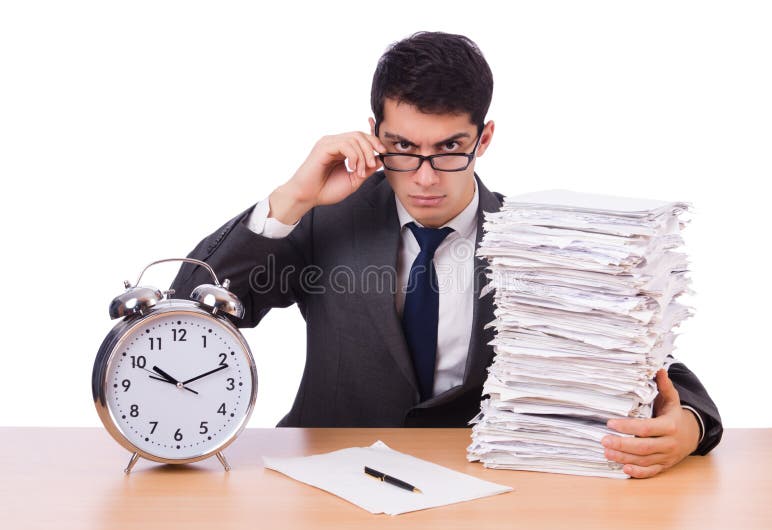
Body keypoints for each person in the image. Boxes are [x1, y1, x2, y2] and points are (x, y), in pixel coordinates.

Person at [171, 31, 722, 478]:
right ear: (374, 134)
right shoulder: (323, 218)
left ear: (483, 139)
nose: (425, 178)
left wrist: (690, 425)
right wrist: (291, 197)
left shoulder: (535, 241)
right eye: (404, 148)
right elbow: (186, 313)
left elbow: (642, 356)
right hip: (318, 479)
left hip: (476, 484)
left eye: (450, 149)